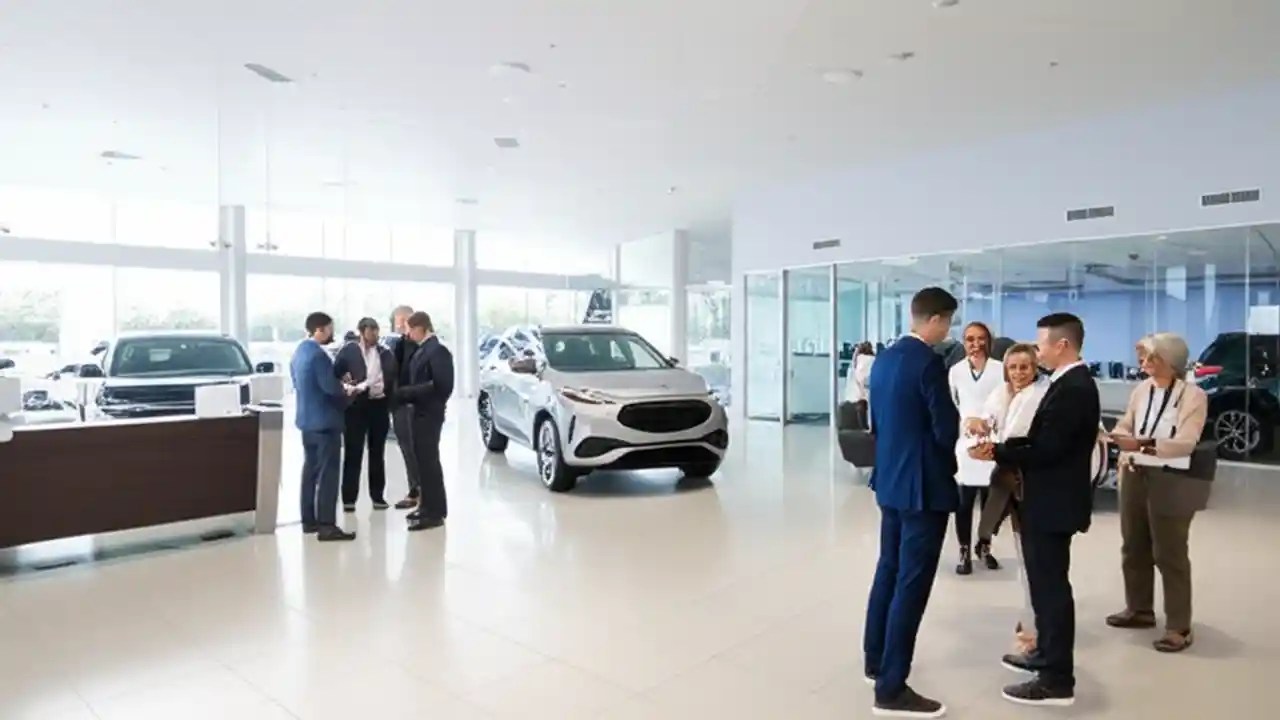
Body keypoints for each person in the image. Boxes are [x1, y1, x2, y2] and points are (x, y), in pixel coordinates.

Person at [972, 312, 1097, 707]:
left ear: (1062, 345)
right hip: (1046, 500)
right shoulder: (1066, 384)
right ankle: (1045, 655)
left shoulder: (1074, 388)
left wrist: (999, 451)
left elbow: (1048, 449)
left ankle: (1057, 679)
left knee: (1052, 590)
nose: (1037, 351)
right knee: (1044, 588)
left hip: (1053, 502)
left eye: (1041, 345)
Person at [862, 287, 960, 718]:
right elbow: (945, 430)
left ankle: (875, 660)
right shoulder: (930, 363)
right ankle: (892, 687)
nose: (948, 330)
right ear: (936, 319)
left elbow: (876, 422)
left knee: (889, 569)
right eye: (949, 322)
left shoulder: (883, 359)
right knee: (912, 583)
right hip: (924, 487)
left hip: (890, 482)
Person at [1105, 333, 1210, 653]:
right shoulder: (1141, 390)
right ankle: (1139, 609)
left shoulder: (1193, 396)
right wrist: (1122, 438)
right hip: (1135, 471)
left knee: (1170, 552)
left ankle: (1179, 626)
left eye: (1152, 358)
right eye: (1144, 358)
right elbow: (1125, 425)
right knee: (1133, 544)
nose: (1145, 363)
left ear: (1171, 361)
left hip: (1171, 477)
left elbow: (1186, 441)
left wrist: (1144, 443)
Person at [968, 343, 1048, 656]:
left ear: (1035, 367)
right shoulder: (1002, 393)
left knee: (1033, 561)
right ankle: (1030, 621)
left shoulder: (1041, 395)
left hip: (1029, 485)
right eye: (1013, 367)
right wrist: (976, 425)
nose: (1018, 373)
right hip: (1006, 482)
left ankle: (1033, 629)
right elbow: (987, 422)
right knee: (1024, 557)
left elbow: (1019, 439)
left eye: (1024, 367)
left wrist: (994, 448)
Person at [290, 311, 357, 542]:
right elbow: (330, 389)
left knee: (310, 471)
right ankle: (327, 525)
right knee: (329, 474)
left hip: (307, 422)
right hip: (325, 423)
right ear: (319, 329)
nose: (332, 333)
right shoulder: (318, 356)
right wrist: (348, 392)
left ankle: (309, 520)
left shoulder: (299, 352)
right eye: (329, 328)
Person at [948, 321, 1005, 575]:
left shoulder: (1000, 370)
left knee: (990, 501)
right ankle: (963, 549)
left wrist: (988, 422)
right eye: (970, 339)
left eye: (981, 339)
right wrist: (966, 423)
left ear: (989, 341)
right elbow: (954, 404)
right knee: (964, 500)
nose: (976, 344)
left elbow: (1006, 403)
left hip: (992, 439)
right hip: (965, 442)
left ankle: (984, 546)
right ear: (964, 341)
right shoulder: (956, 371)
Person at [395, 311, 454, 532]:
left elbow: (442, 385)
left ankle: (435, 511)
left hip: (430, 414)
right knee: (421, 461)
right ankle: (426, 504)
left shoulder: (438, 351)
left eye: (410, 329)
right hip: (418, 412)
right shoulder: (422, 350)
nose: (408, 334)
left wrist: (407, 392)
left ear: (421, 327)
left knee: (429, 463)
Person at [333, 317, 395, 513]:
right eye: (371, 332)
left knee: (377, 452)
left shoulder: (384, 352)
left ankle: (377, 496)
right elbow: (336, 374)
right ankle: (349, 499)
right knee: (353, 452)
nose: (375, 335)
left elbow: (392, 376)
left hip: (379, 405)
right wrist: (346, 386)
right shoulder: (348, 351)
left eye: (377, 331)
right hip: (356, 407)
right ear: (361, 332)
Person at [387, 305, 421, 511]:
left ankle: (423, 494)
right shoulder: (397, 344)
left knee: (418, 451)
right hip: (398, 405)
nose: (401, 324)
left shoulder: (421, 347)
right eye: (398, 321)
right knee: (407, 451)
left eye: (405, 320)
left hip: (414, 406)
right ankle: (414, 491)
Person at [843, 341, 875, 428]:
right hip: (870, 391)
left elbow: (856, 374)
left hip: (859, 393)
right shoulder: (873, 359)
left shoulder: (859, 360)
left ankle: (863, 428)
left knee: (861, 409)